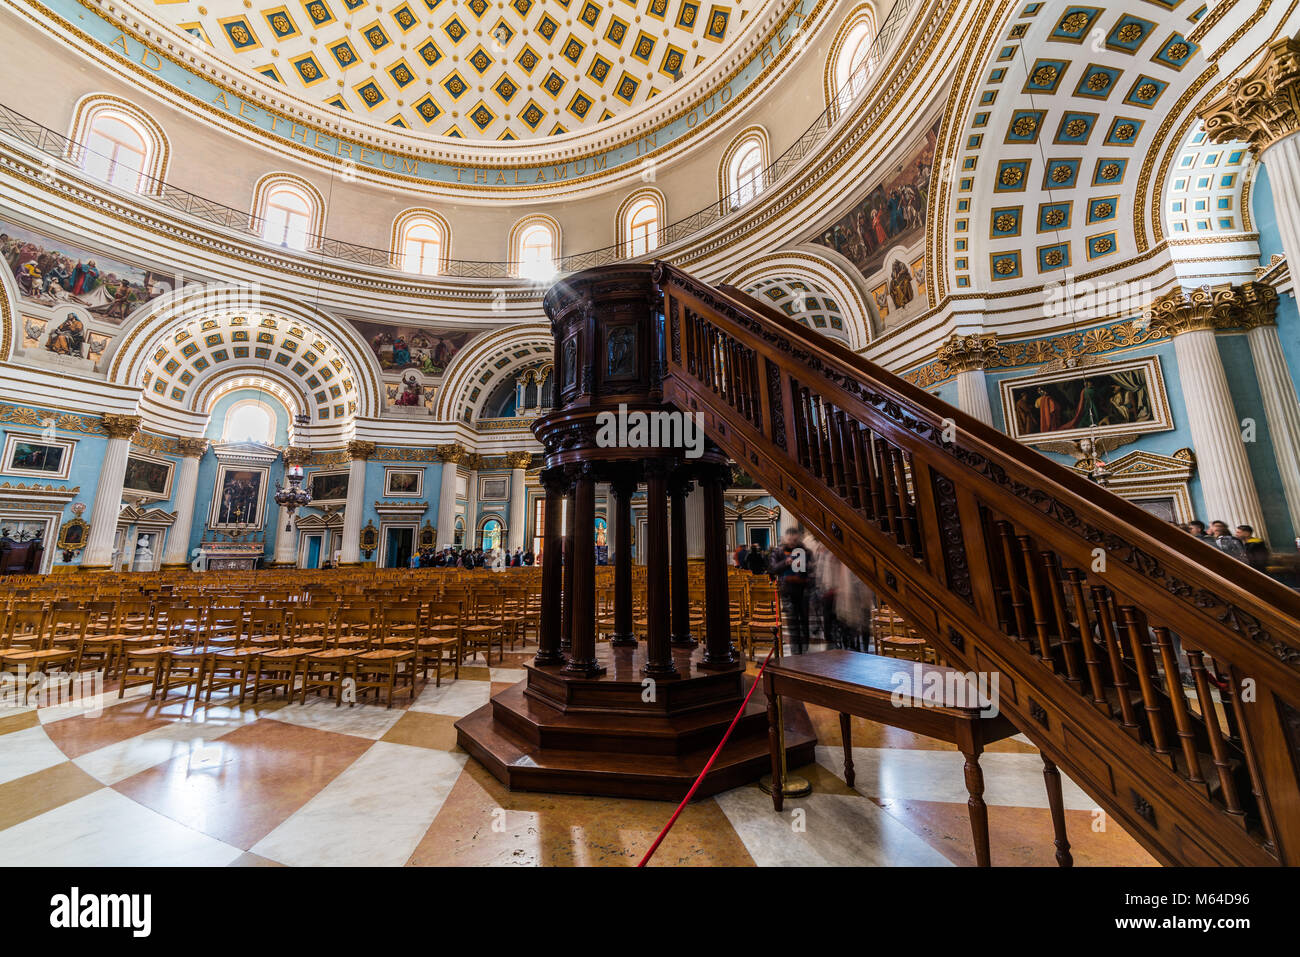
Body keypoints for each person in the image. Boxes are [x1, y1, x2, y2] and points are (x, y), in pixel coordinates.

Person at [770, 529, 812, 655]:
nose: (792, 543)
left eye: (795, 540)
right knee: (793, 623)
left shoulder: (806, 552)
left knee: (804, 622)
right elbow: (772, 569)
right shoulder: (778, 552)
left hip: (803, 590)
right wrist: (786, 562)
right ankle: (795, 653)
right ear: (785, 539)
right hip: (787, 590)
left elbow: (813, 570)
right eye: (790, 540)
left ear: (798, 538)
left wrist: (806, 569)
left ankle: (805, 651)